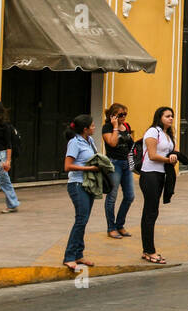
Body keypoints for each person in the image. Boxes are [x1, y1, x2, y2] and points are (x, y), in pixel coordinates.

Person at [139, 106, 179, 265]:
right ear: (159, 117)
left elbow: (172, 151)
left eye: (172, 116)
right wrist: (169, 160)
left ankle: (147, 249)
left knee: (152, 212)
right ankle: (149, 250)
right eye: (167, 116)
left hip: (161, 175)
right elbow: (153, 155)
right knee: (150, 212)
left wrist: (174, 155)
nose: (171, 118)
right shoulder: (152, 132)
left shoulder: (167, 134)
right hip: (150, 175)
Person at [62, 114, 101, 271]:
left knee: (84, 220)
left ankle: (79, 254)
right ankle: (69, 256)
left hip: (89, 184)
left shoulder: (90, 141)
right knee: (81, 219)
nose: (94, 128)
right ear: (85, 129)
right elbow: (67, 166)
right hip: (77, 184)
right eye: (92, 126)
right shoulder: (74, 142)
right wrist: (89, 168)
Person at [101, 102, 136, 239]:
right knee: (112, 197)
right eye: (121, 115)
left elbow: (131, 145)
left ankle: (120, 224)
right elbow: (112, 143)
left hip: (126, 164)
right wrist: (115, 127)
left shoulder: (126, 126)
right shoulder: (107, 128)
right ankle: (111, 227)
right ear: (113, 116)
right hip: (114, 164)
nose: (123, 117)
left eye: (125, 114)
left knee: (130, 196)